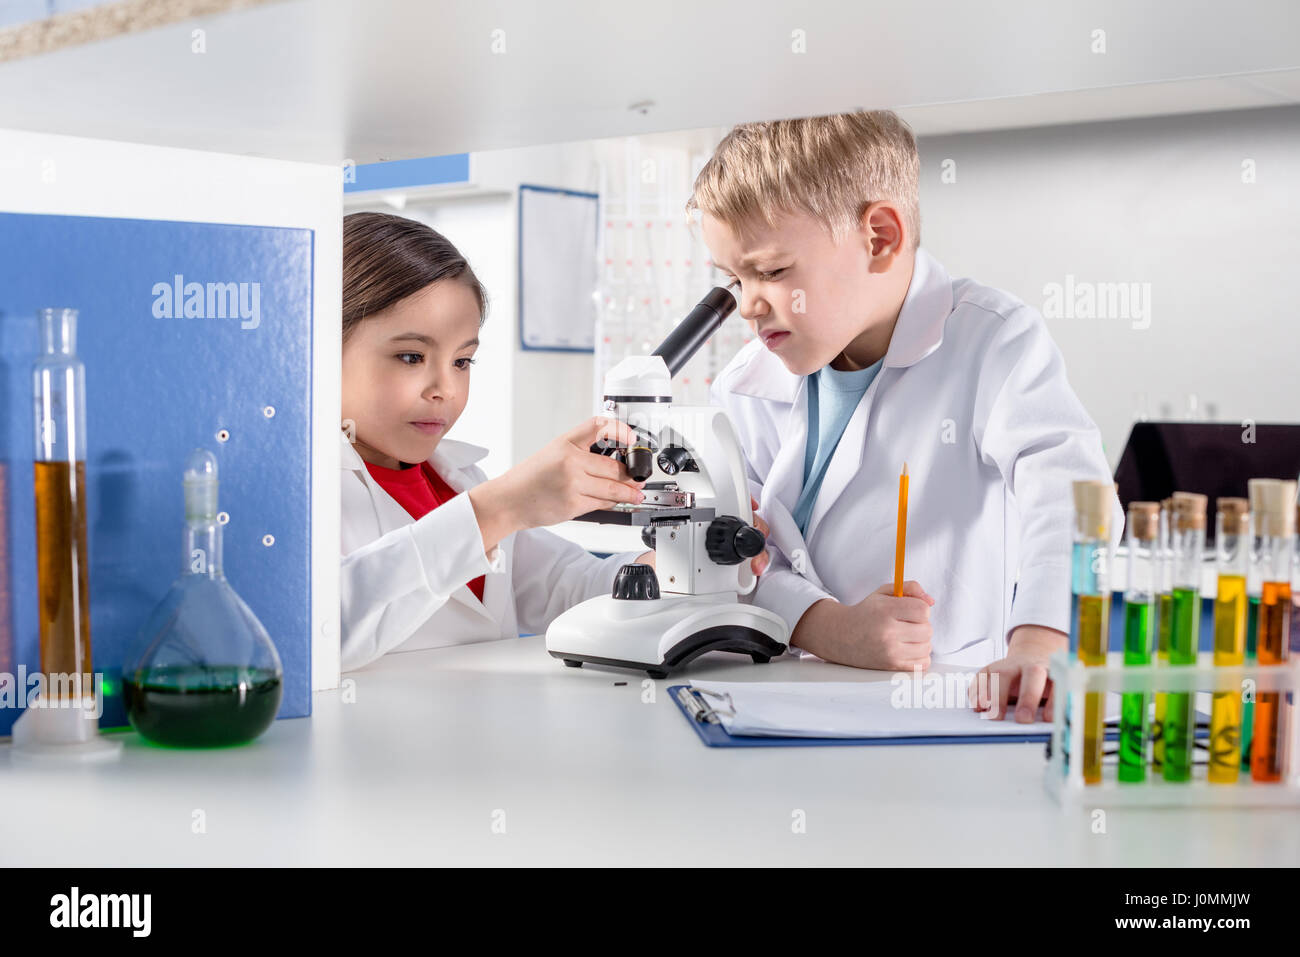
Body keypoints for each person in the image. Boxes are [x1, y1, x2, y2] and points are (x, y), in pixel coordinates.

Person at [693, 110, 1122, 721]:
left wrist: (1040, 641)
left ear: (880, 238)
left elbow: (1078, 497)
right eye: (735, 278)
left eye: (772, 271)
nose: (749, 305)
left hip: (947, 702)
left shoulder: (992, 342)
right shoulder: (746, 386)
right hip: (790, 697)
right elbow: (743, 559)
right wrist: (830, 629)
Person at [339, 212, 769, 672]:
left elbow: (566, 584)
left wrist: (682, 559)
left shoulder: (456, 480)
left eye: (463, 361)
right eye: (411, 356)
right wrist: (498, 508)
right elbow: (323, 630)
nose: (444, 387)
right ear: (318, 347)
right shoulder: (300, 491)